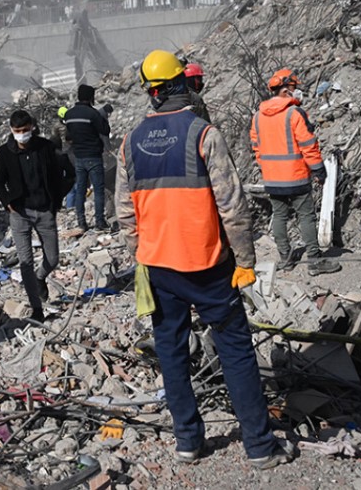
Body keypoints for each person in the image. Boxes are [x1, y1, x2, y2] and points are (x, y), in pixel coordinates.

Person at [116, 49, 294, 468]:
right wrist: (245, 260)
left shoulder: (129, 142)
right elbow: (232, 205)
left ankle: (188, 442)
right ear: (182, 84)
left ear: (151, 92)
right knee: (235, 351)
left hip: (159, 268)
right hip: (208, 265)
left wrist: (142, 254)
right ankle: (259, 446)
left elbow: (124, 213)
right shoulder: (203, 134)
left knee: (172, 353)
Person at [250, 69, 339, 275]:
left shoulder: (257, 117)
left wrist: (268, 169)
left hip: (272, 178)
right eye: (294, 87)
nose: (296, 91)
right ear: (286, 89)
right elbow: (308, 145)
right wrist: (318, 169)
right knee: (306, 216)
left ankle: (285, 259)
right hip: (296, 176)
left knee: (279, 216)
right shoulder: (294, 113)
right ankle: (314, 261)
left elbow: (256, 148)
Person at [0, 109, 75, 321]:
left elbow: (67, 174)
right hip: (20, 213)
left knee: (53, 258)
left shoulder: (46, 148)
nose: (22, 134)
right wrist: (8, 203)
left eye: (25, 130)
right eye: (18, 130)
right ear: (12, 130)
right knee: (25, 262)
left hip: (44, 211)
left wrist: (56, 199)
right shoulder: (5, 152)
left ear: (32, 128)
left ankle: (40, 278)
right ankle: (36, 308)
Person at [64, 84, 111, 230]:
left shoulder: (69, 115)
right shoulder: (93, 114)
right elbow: (105, 130)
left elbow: (68, 136)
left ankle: (81, 222)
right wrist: (104, 117)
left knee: (80, 190)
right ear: (91, 97)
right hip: (93, 156)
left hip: (78, 157)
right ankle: (99, 221)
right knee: (98, 190)